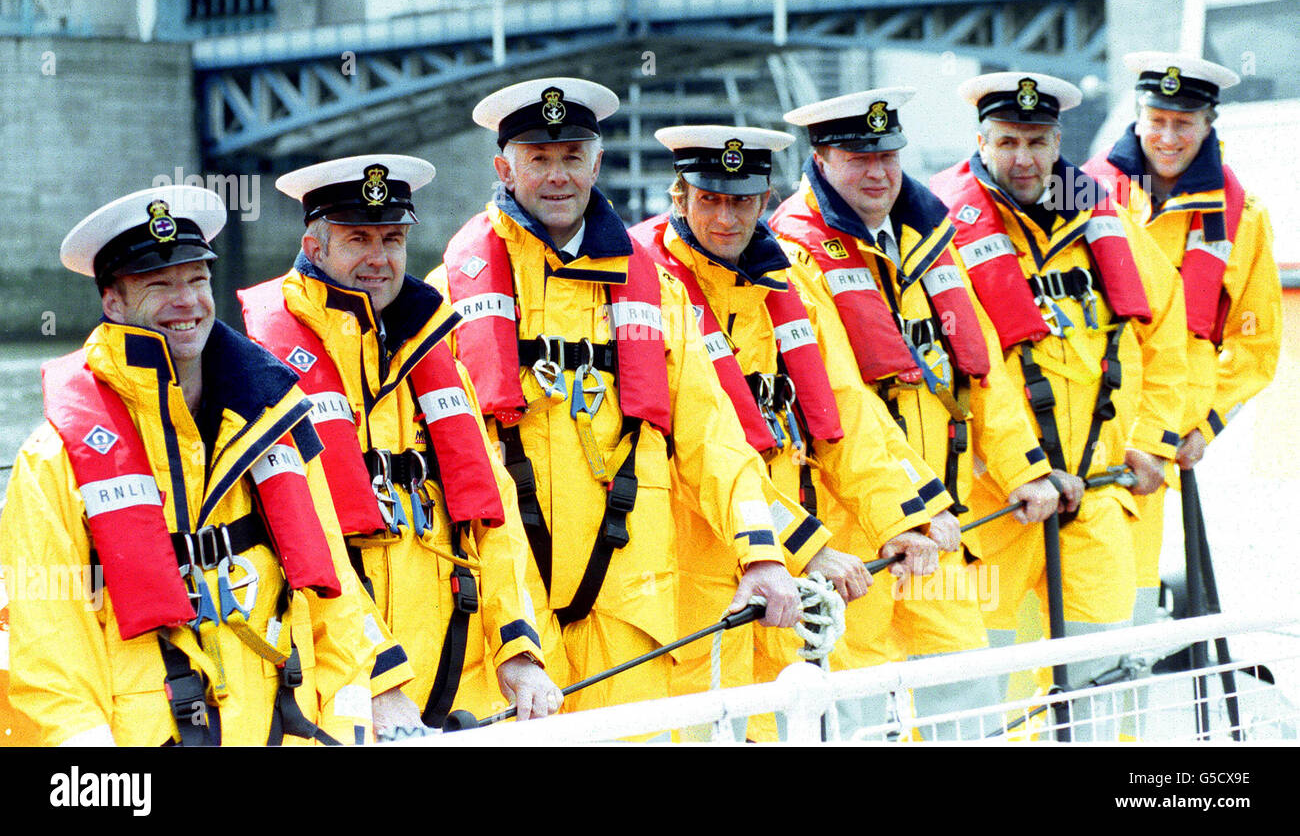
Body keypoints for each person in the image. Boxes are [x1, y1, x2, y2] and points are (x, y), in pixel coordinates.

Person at [427, 77, 805, 715]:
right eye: (538, 159)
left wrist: (762, 553)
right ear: (503, 167)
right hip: (508, 608)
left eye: (573, 157)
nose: (557, 176)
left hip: (630, 597)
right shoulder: (448, 296)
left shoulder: (655, 291)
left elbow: (711, 435)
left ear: (596, 164)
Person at [0, 186, 382, 746]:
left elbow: (335, 594)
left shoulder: (272, 417)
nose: (188, 301)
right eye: (159, 285)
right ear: (113, 302)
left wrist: (349, 723)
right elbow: (47, 648)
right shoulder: (55, 458)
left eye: (197, 280)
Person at [629, 125, 942, 726]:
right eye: (710, 199)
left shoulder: (794, 280)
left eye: (742, 199)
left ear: (766, 199)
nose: (726, 216)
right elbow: (699, 449)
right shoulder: (649, 287)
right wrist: (804, 545)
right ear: (680, 198)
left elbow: (847, 411)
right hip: (697, 567)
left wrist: (902, 519)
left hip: (789, 562)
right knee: (705, 730)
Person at [770, 89, 1060, 733]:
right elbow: (842, 398)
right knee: (865, 707)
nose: (878, 172)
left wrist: (1024, 471)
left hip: (935, 523)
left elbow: (979, 365)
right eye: (856, 157)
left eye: (889, 155)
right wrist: (908, 511)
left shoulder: (925, 238)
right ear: (820, 158)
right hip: (853, 527)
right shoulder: (795, 256)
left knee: (963, 683)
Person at [240, 155, 559, 730]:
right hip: (344, 691)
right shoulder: (263, 366)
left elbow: (496, 513)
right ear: (314, 248)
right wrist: (378, 678)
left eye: (392, 238)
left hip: (459, 674)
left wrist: (517, 648)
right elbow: (301, 543)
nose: (379, 258)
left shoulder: (433, 347)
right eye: (357, 239)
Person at [929, 72, 1188, 718]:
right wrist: (1015, 469)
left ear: (1058, 142)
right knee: (982, 693)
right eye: (1008, 141)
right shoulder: (942, 233)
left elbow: (1168, 331)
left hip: (1097, 495)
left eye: (1038, 141)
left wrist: (1154, 440)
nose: (1024, 159)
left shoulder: (1107, 221)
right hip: (997, 509)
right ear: (981, 142)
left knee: (1106, 687)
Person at [1082, 52, 1282, 626]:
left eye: (1184, 122)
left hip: (1162, 438)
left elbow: (1256, 344)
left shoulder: (1243, 217)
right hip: (1080, 425)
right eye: (1157, 119)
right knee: (1053, 611)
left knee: (1129, 604)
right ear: (1138, 116)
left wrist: (1207, 424)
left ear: (1208, 124)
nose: (1168, 136)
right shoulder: (1083, 194)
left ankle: (1118, 718)